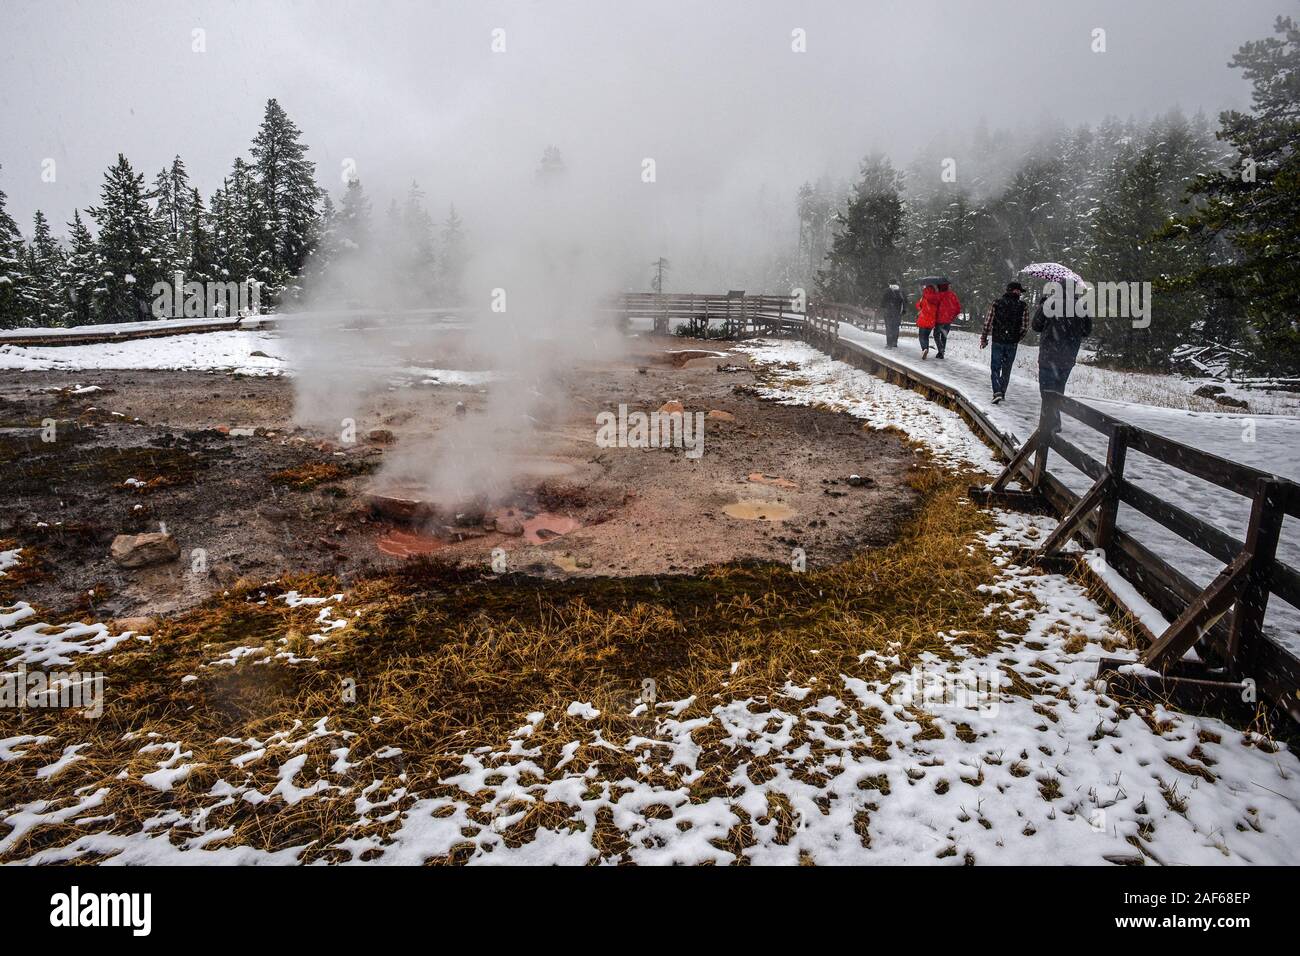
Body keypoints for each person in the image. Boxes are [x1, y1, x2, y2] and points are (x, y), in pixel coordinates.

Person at [1032, 281, 1093, 429]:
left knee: (1046, 391)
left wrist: (1042, 305)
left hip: (1049, 355)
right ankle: (1054, 420)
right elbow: (1086, 331)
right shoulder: (1081, 306)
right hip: (1068, 357)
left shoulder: (1049, 303)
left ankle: (1049, 423)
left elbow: (1036, 326)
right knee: (1059, 389)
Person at [979, 281, 1028, 403]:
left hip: (998, 340)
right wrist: (1017, 337)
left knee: (995, 368)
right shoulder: (1023, 306)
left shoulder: (997, 303)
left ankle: (997, 391)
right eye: (1018, 291)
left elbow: (988, 322)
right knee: (1007, 368)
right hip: (1012, 342)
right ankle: (1002, 392)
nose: (1018, 293)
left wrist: (984, 337)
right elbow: (1025, 326)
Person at [933, 281, 961, 359]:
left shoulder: (938, 295)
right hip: (948, 320)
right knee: (944, 336)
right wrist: (952, 316)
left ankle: (941, 350)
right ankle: (941, 352)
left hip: (939, 320)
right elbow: (958, 308)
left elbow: (934, 307)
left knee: (936, 335)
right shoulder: (952, 295)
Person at [915, 283, 940, 358]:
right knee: (926, 336)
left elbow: (918, 306)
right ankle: (926, 349)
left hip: (923, 319)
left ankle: (924, 349)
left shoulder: (924, 296)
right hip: (931, 320)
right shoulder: (936, 297)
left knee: (921, 336)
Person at [879, 281, 905, 348]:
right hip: (898, 313)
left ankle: (889, 344)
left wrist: (883, 307)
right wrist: (903, 310)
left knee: (889, 328)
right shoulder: (901, 291)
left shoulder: (887, 291)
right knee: (895, 327)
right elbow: (905, 302)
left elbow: (882, 302)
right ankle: (895, 342)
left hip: (889, 312)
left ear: (889, 284)